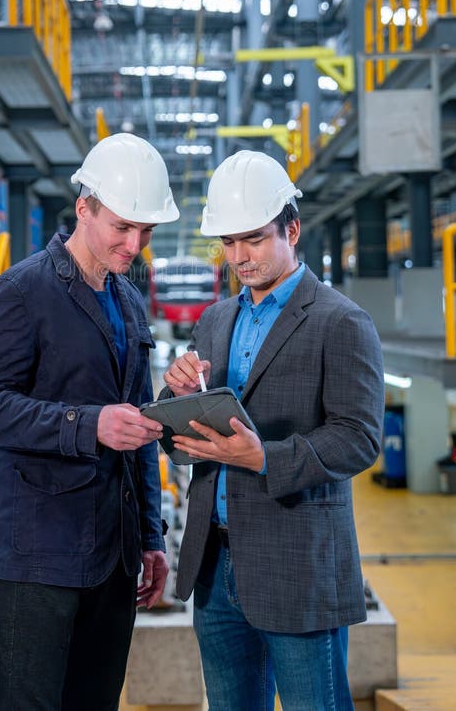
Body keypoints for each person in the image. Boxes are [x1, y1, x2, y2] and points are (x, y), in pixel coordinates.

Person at [161, 150, 384, 711]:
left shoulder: (341, 322)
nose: (240, 257)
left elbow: (359, 437)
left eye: (254, 239)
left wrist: (264, 458)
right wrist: (174, 397)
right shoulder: (215, 320)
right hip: (215, 568)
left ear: (292, 228)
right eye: (229, 243)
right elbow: (181, 431)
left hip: (298, 567)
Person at [0, 133, 180, 711]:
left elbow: (140, 429)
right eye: (122, 227)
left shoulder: (129, 302)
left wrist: (151, 539)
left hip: (114, 556)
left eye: (146, 230)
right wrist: (89, 425)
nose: (135, 244)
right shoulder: (22, 291)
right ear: (84, 208)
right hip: (38, 556)